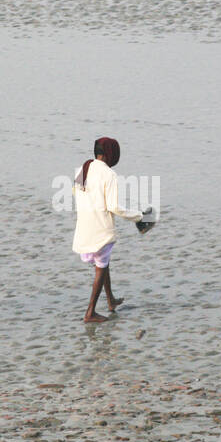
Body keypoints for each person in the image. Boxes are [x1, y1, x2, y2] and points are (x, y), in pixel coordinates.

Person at [72, 136, 143, 323]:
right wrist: (138, 216)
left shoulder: (83, 168)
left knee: (103, 263)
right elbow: (114, 207)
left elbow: (76, 193)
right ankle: (90, 312)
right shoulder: (109, 175)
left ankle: (111, 300)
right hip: (101, 229)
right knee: (100, 268)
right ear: (110, 155)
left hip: (84, 227)